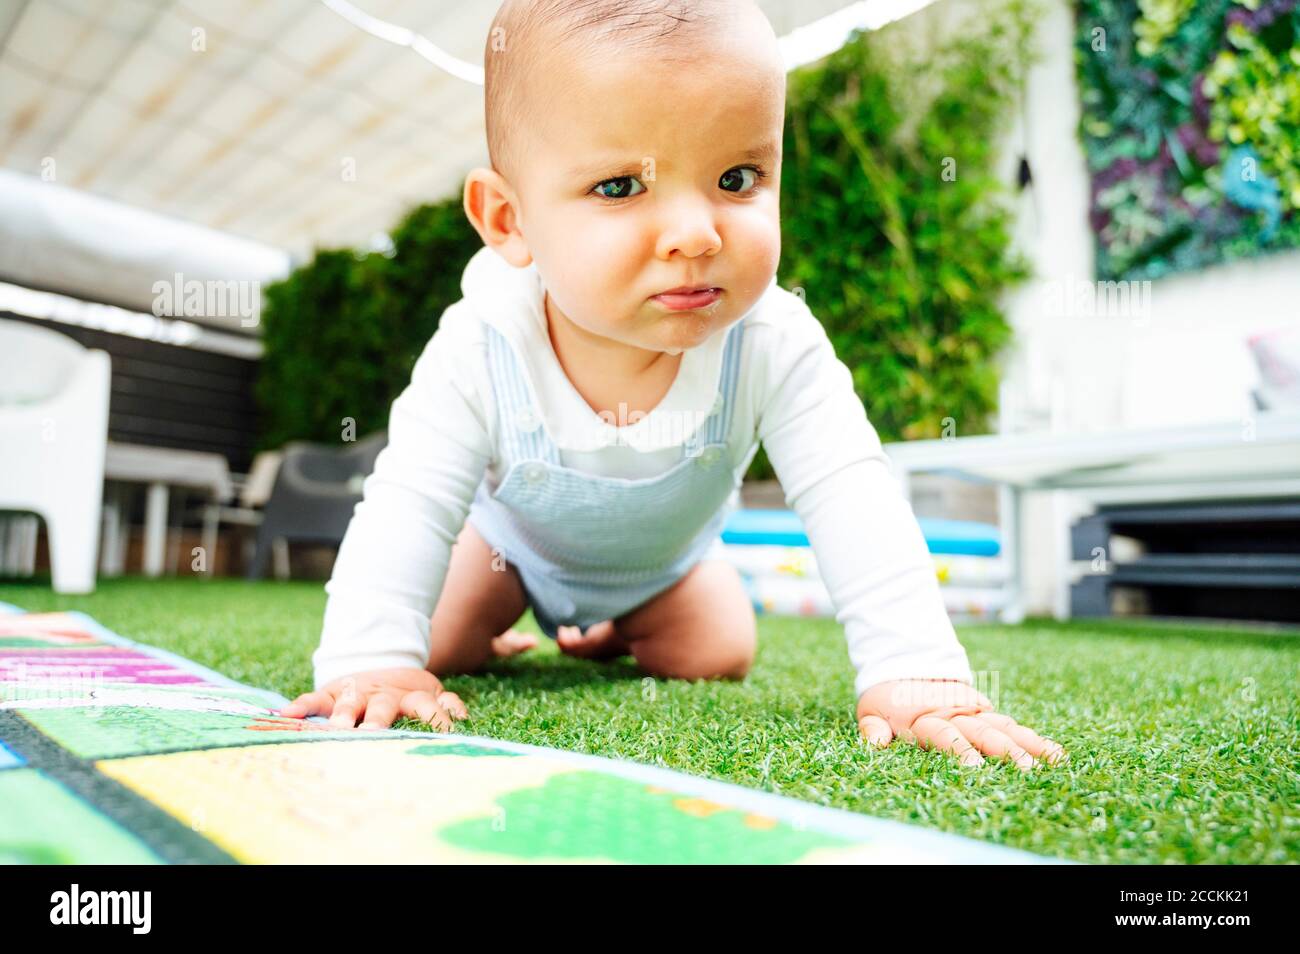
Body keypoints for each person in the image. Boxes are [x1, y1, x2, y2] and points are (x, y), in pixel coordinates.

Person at [280, 0, 1066, 771]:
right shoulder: (482, 342)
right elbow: (409, 500)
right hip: (507, 555)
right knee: (442, 643)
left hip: (667, 567)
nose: (697, 234)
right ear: (509, 220)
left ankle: (610, 630)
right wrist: (373, 657)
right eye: (622, 187)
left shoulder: (772, 341)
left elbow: (851, 491)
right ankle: (508, 627)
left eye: (737, 176)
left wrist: (916, 667)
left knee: (716, 652)